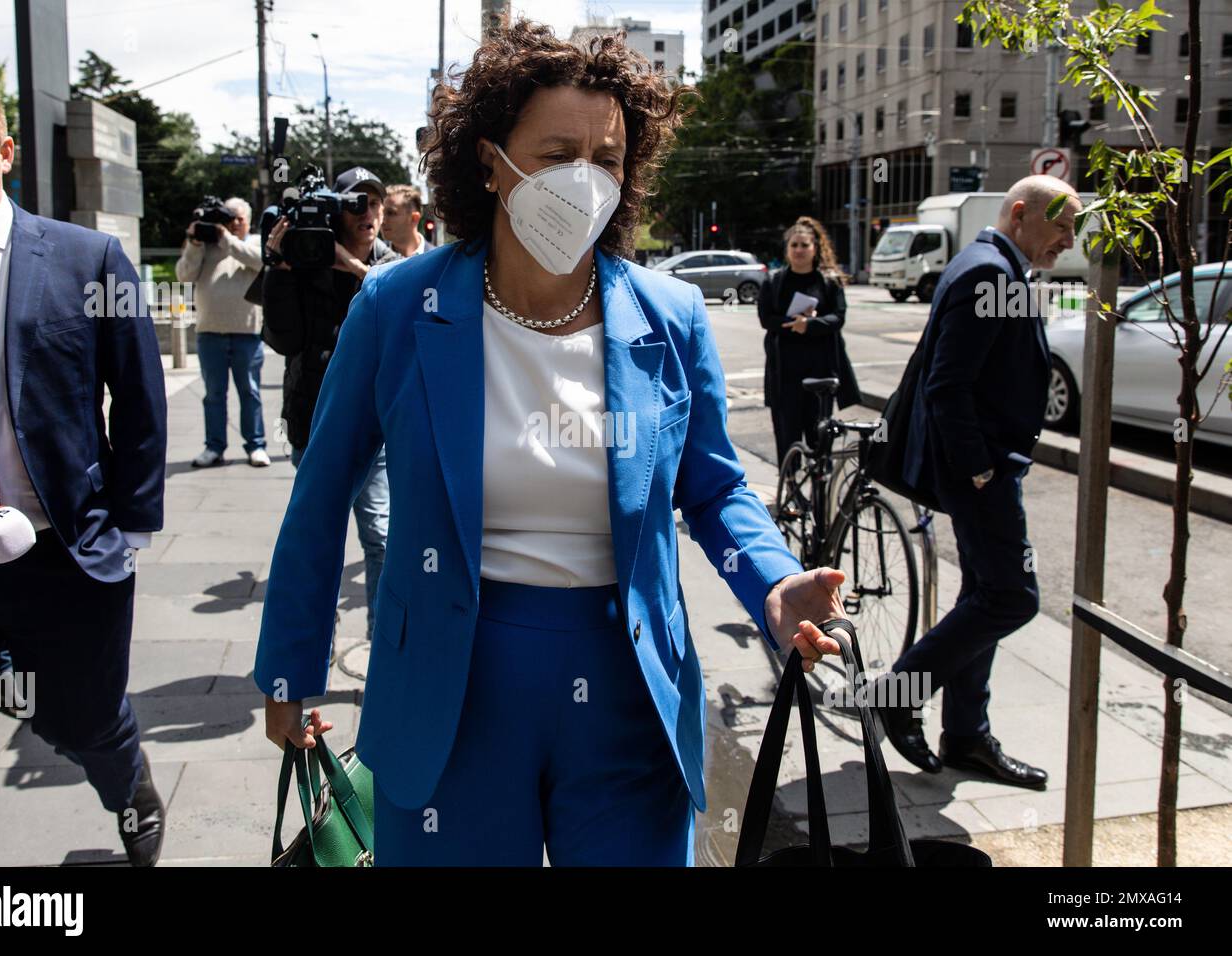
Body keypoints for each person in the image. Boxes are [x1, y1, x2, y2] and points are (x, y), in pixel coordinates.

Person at [253, 17, 847, 866]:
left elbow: (712, 488)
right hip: (449, 691)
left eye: (606, 158)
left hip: (627, 688)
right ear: (491, 162)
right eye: (559, 151)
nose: (586, 179)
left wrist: (773, 584)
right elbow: (320, 494)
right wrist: (289, 668)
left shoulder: (669, 316)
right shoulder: (396, 307)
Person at [0, 72, 168, 865]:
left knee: (78, 720)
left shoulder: (87, 260)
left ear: (3, 153)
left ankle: (123, 770)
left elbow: (138, 400)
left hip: (61, 555)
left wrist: (128, 534)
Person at [878, 175, 1082, 791]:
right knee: (1011, 598)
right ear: (1021, 213)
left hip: (988, 468)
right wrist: (980, 468)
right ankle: (899, 691)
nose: (1067, 242)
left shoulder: (994, 265)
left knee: (986, 595)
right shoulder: (988, 271)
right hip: (980, 475)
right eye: (1061, 227)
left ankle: (966, 735)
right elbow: (947, 384)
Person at [261, 167, 399, 644]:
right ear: (337, 211)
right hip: (312, 422)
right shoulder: (305, 262)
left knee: (380, 539)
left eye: (376, 202)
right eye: (357, 203)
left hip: (377, 429)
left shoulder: (391, 266)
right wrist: (278, 267)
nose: (370, 212)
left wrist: (358, 271)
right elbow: (283, 339)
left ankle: (381, 644)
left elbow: (406, 323)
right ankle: (312, 644)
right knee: (317, 540)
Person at [757, 216, 861, 463]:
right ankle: (790, 489)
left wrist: (811, 324)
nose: (799, 250)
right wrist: (793, 322)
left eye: (804, 245)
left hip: (821, 373)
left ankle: (819, 495)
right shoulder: (774, 282)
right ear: (787, 250)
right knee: (787, 437)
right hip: (784, 374)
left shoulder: (829, 281)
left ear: (815, 248)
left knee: (820, 438)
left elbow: (839, 317)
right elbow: (766, 319)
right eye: (794, 245)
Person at [177, 197, 269, 468]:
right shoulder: (206, 244)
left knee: (250, 392)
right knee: (214, 394)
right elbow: (184, 274)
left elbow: (260, 261)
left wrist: (226, 239)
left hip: (247, 332)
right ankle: (214, 446)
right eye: (230, 218)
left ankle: (256, 445)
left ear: (249, 221)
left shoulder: (254, 242)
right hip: (210, 331)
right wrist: (195, 243)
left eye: (240, 219)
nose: (234, 223)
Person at [381, 184, 434, 257]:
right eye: (381, 213)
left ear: (414, 218)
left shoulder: (437, 258)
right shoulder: (375, 258)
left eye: (391, 213)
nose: (382, 221)